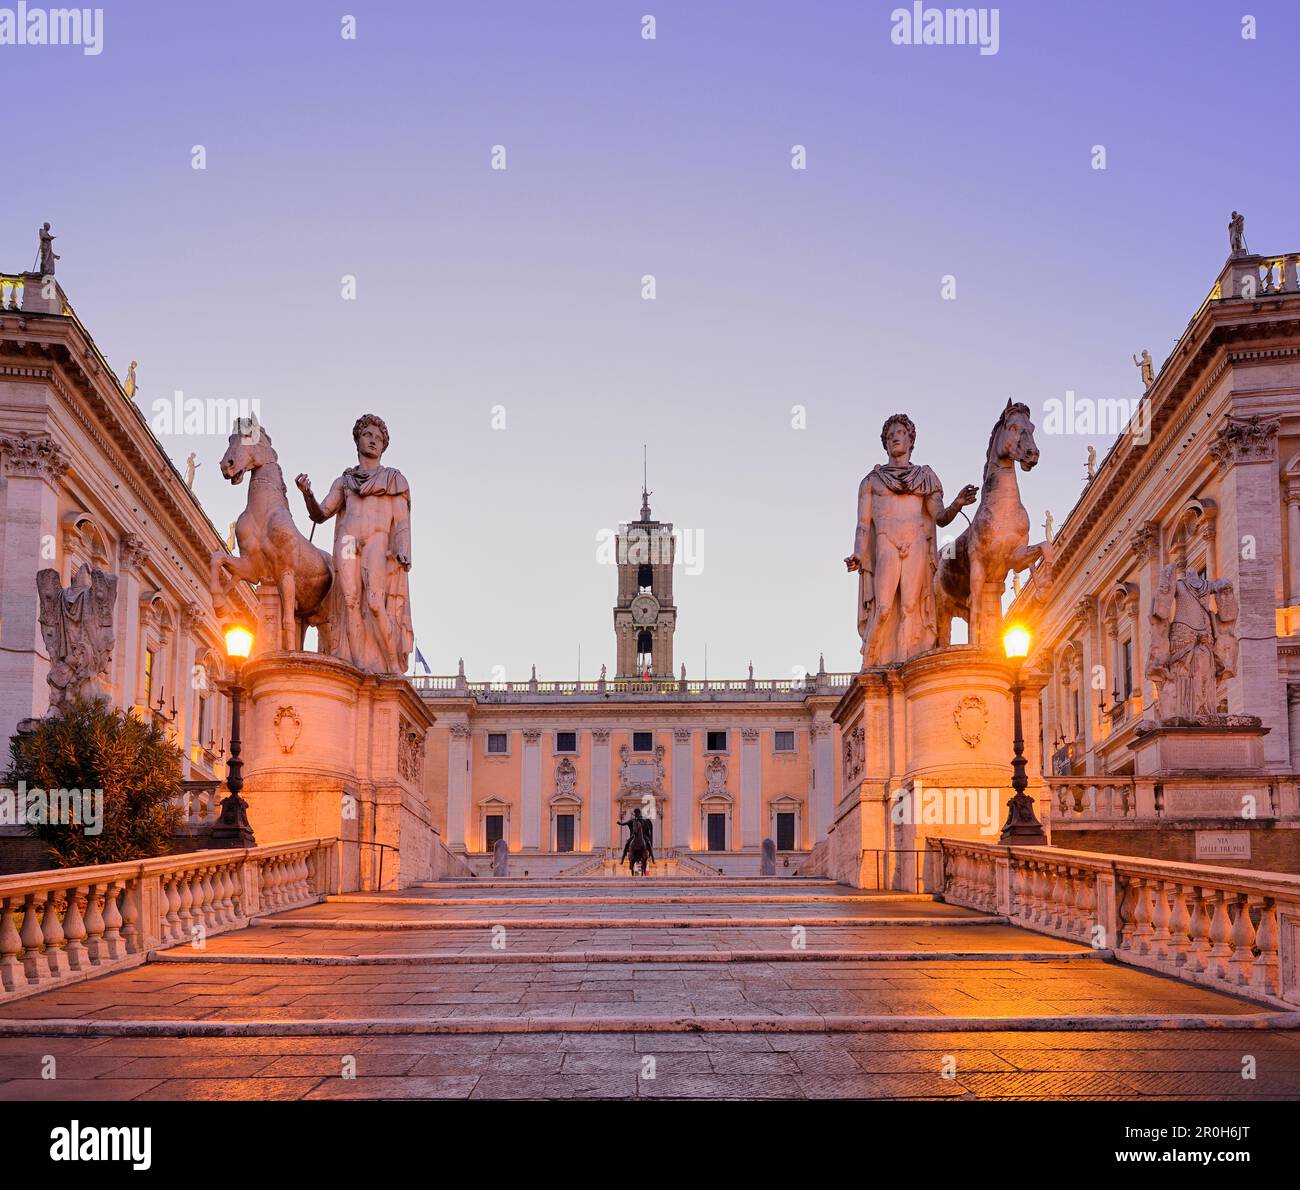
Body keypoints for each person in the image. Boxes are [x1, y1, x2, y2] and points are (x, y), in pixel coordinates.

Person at [297, 414, 413, 674]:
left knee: (374, 602)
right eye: (368, 435)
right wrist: (307, 494)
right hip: (348, 540)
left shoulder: (393, 479)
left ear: (384, 446)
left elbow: (402, 521)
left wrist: (404, 547)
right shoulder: (344, 481)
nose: (373, 441)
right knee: (348, 602)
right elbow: (321, 513)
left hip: (377, 540)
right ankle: (357, 666)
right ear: (358, 439)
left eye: (378, 438)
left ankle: (392, 664)